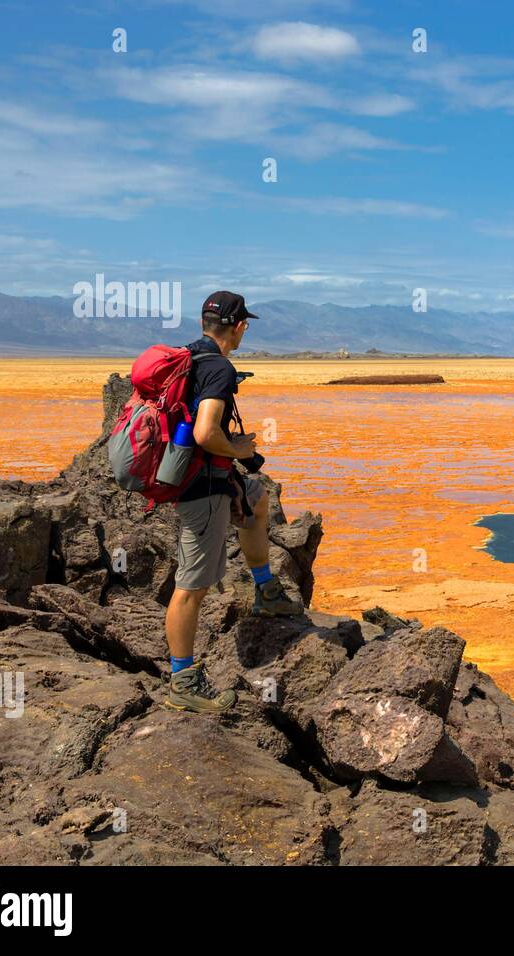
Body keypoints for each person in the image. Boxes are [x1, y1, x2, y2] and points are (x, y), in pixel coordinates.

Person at [164, 291, 304, 714]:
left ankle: (265, 589)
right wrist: (240, 450)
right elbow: (206, 433)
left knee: (257, 500)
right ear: (239, 325)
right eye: (246, 324)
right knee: (192, 586)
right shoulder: (219, 368)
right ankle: (182, 681)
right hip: (201, 489)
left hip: (214, 478)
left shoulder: (191, 356)